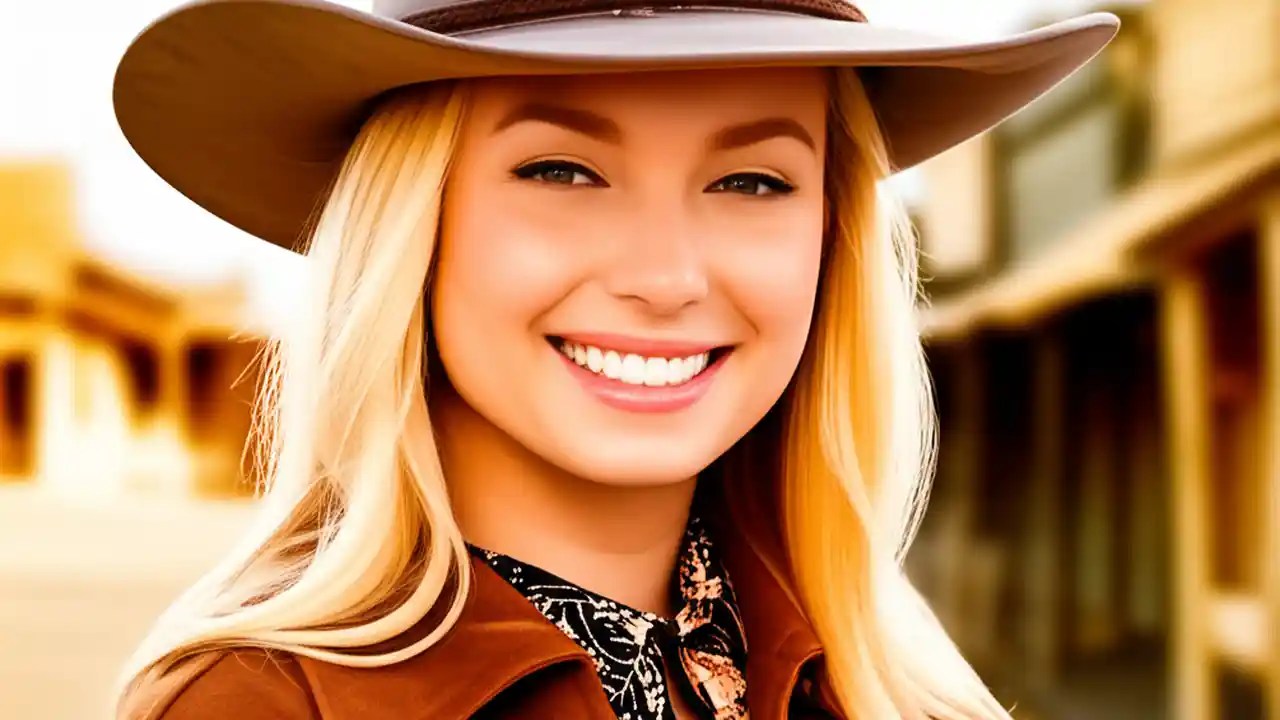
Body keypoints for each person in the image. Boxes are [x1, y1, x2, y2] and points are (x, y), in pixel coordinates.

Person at [109, 1, 1117, 718]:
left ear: (831, 237)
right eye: (561, 169)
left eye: (753, 182)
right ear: (415, 223)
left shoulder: (881, 693)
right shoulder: (262, 707)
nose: (665, 275)